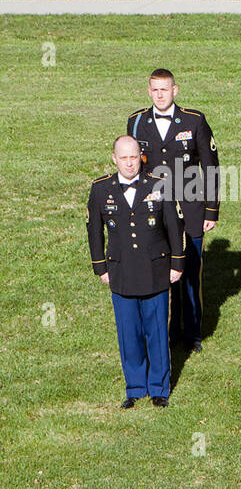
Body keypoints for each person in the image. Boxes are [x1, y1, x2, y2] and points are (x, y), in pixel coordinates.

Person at [87, 135, 185, 408]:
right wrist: (100, 267)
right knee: (128, 333)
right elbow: (94, 232)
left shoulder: (160, 185)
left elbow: (174, 227)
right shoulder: (101, 189)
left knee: (157, 332)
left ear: (141, 157)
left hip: (155, 269)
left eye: (134, 157)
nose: (129, 163)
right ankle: (135, 387)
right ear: (114, 159)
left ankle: (159, 388)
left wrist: (177, 264)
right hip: (121, 271)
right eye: (124, 158)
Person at [127, 68, 219, 352]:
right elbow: (131, 166)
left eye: (164, 89)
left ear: (175, 90)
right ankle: (163, 332)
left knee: (190, 272)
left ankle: (191, 333)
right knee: (158, 271)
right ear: (148, 91)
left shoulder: (194, 120)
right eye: (155, 90)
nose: (159, 95)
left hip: (190, 208)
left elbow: (211, 166)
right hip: (154, 211)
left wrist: (211, 210)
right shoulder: (136, 122)